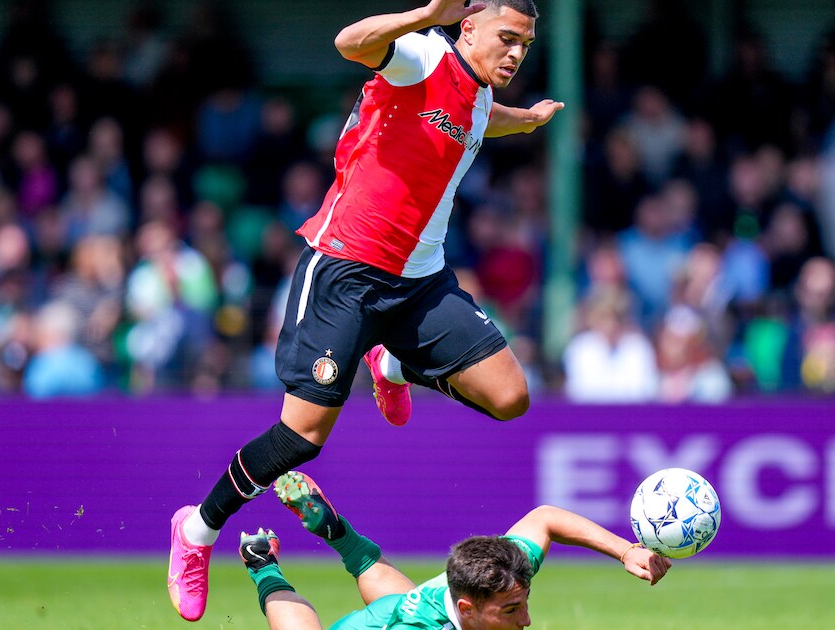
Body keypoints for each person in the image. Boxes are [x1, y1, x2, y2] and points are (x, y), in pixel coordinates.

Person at [168, 0, 564, 620]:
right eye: (507, 39)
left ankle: (393, 366)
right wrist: (428, 10)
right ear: (468, 27)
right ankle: (196, 530)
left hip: (420, 282)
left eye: (526, 46)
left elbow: (483, 120)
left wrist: (528, 121)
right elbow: (349, 41)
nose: (516, 54)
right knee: (301, 438)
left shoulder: (482, 94)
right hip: (346, 272)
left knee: (511, 397)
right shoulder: (420, 56)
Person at [239, 471, 671, 629]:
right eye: (510, 612)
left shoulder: (502, 572)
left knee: (399, 603)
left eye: (521, 604)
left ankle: (341, 535)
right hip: (380, 625)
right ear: (465, 608)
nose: (527, 620)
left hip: (410, 608)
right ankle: (262, 563)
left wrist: (626, 550)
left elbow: (544, 518)